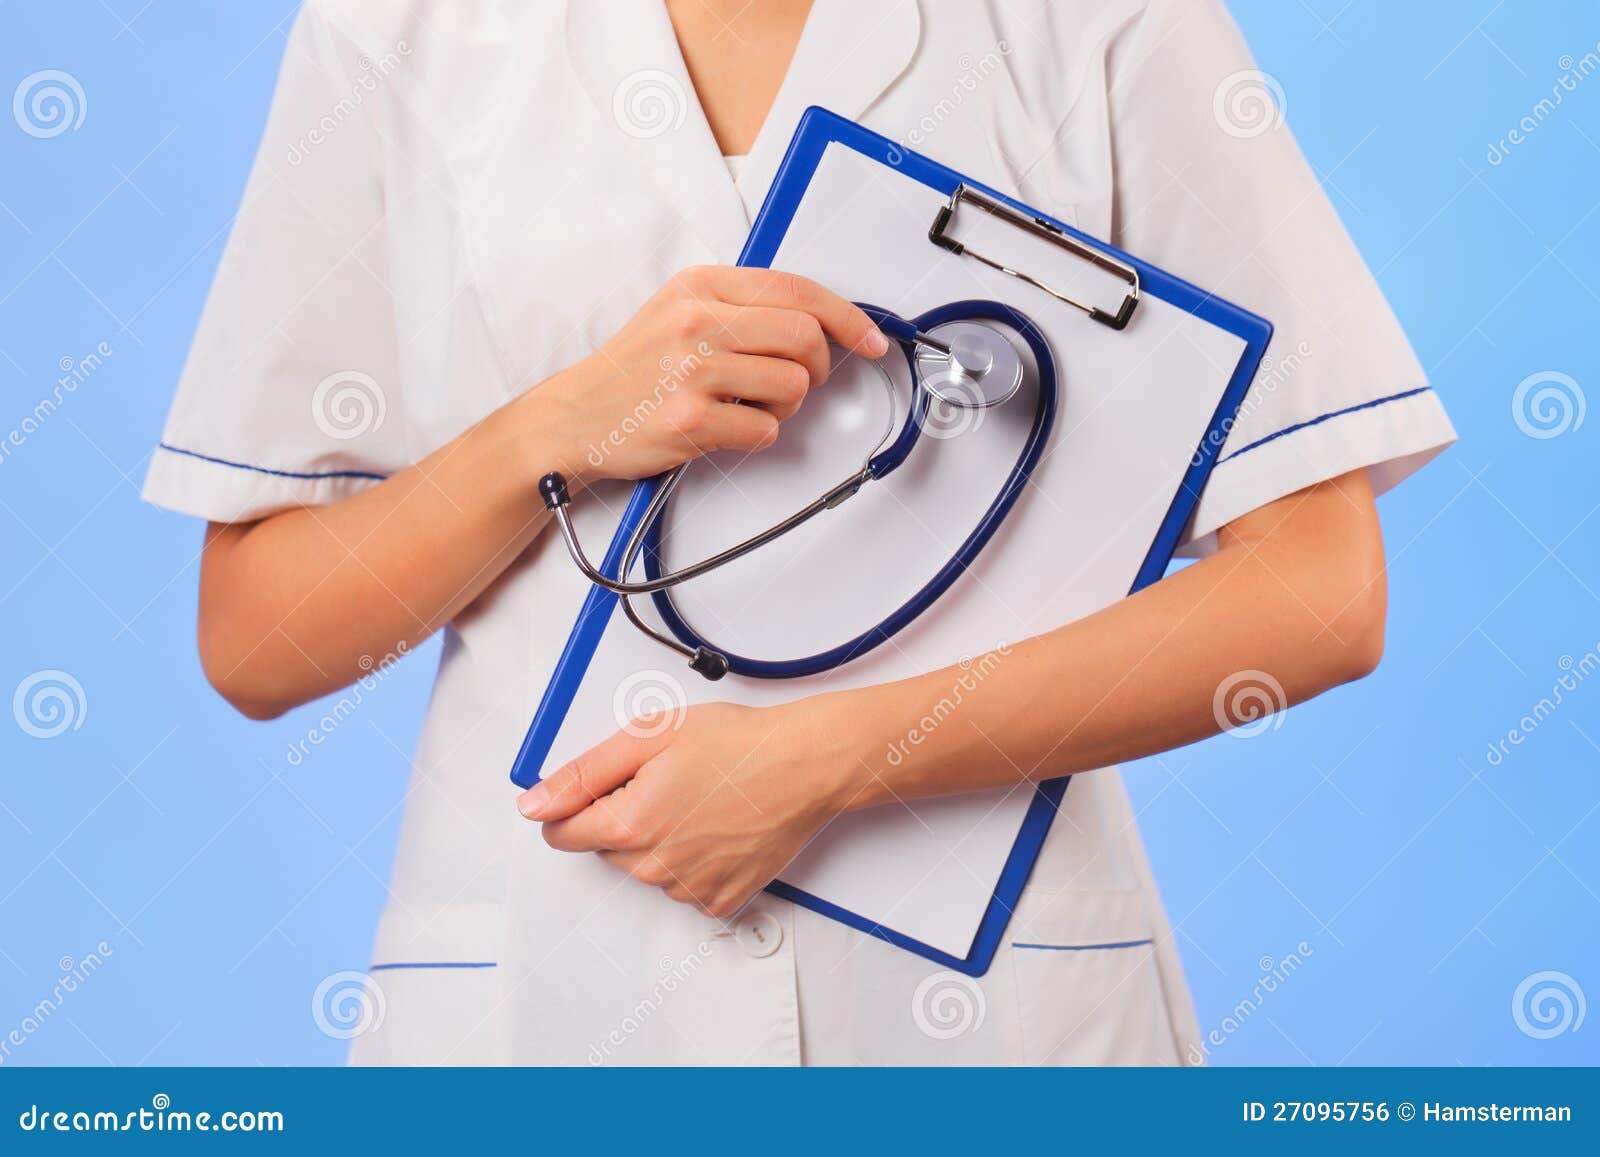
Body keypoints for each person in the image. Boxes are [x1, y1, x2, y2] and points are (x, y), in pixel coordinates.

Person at [144, 0, 1455, 1064]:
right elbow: (261, 636)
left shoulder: (1100, 25)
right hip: (541, 997)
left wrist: (820, 764)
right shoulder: (394, 35)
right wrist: (560, 424)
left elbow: (1318, 593)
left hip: (985, 1014)